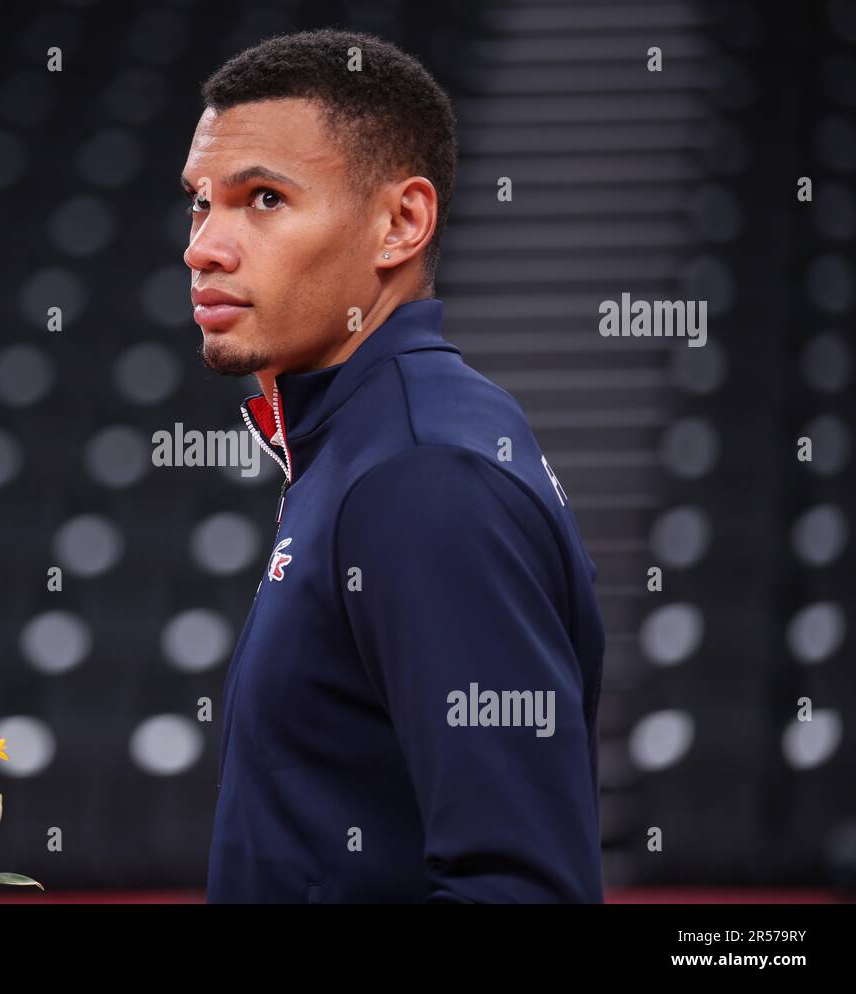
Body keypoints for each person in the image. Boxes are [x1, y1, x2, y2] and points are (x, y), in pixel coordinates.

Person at [183, 28, 605, 903]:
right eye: (200, 202)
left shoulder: (419, 475)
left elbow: (520, 891)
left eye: (263, 199)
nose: (204, 248)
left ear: (400, 224)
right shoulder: (372, 442)